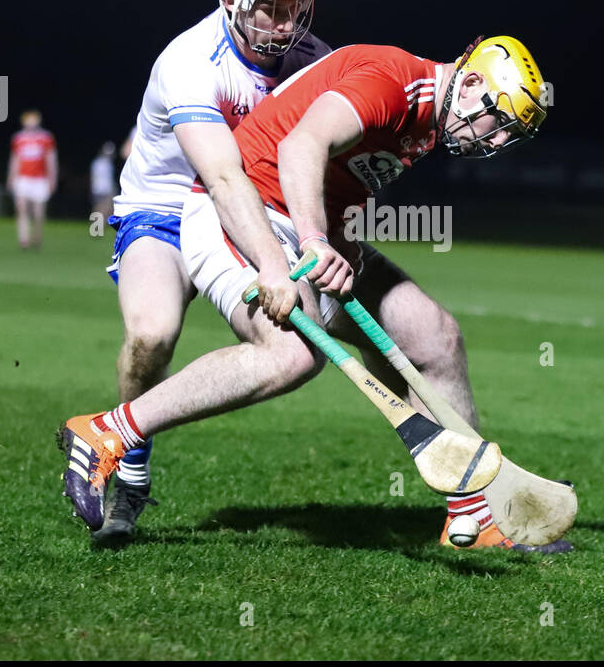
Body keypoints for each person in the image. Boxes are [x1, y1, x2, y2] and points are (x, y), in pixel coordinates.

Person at [61, 35, 557, 551]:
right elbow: (301, 146)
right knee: (294, 355)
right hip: (240, 214)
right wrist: (316, 243)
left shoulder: (430, 118)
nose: (494, 143)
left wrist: (338, 242)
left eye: (507, 134)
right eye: (496, 120)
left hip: (304, 225)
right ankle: (108, 431)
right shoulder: (394, 82)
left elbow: (342, 177)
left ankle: (475, 513)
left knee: (436, 337)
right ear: (471, 81)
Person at [85, 0, 328, 544]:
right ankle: (130, 471)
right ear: (229, 0)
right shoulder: (190, 62)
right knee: (151, 335)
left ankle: (467, 491)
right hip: (167, 209)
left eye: (298, 7)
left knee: (295, 347)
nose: (287, 25)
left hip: (252, 213)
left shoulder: (311, 58)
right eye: (272, 9)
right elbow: (220, 175)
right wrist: (276, 267)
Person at [7, 110, 57, 249]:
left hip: (40, 180)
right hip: (23, 178)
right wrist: (11, 177)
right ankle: (23, 239)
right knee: (21, 209)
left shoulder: (46, 138)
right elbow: (15, 159)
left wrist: (52, 178)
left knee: (38, 212)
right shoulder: (18, 139)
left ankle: (37, 237)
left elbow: (50, 159)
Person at [90, 141, 117, 221]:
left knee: (106, 209)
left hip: (105, 189)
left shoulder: (108, 163)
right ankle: (97, 227)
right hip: (100, 189)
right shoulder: (99, 163)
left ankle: (101, 226)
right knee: (100, 208)